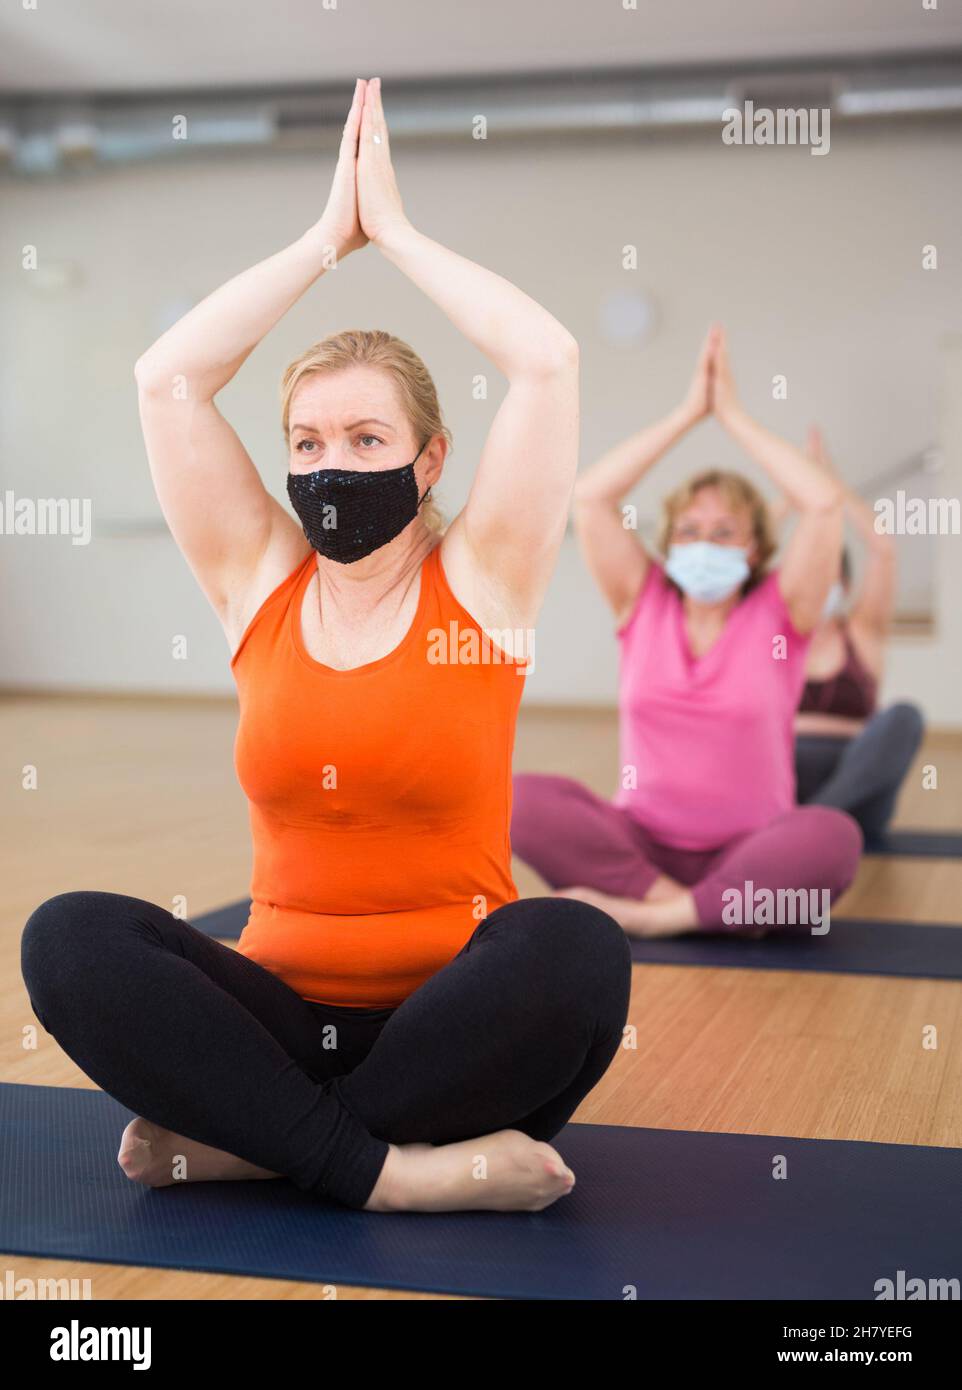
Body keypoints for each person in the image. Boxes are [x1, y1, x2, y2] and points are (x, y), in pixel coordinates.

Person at [20, 78, 631, 1215]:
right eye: (306, 440)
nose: (328, 465)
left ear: (429, 457)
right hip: (279, 1022)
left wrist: (392, 234)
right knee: (70, 938)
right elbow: (168, 379)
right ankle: (387, 1174)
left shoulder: (484, 583)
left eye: (364, 436)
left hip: (453, 1029)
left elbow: (545, 361)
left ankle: (262, 1148)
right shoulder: (259, 581)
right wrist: (319, 242)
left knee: (576, 950)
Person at [512, 326, 863, 938]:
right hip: (642, 849)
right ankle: (701, 908)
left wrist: (732, 416)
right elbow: (592, 497)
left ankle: (659, 919)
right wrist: (686, 414)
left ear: (755, 549)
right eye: (690, 530)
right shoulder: (641, 600)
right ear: (669, 542)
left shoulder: (786, 613)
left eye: (725, 531)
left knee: (834, 838)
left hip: (753, 848)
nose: (705, 543)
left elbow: (824, 505)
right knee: (512, 796)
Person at [778, 427, 924, 848]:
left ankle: (808, 827)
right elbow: (748, 549)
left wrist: (831, 485)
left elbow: (883, 549)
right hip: (779, 790)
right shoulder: (771, 634)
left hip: (856, 801)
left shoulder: (862, 630)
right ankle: (802, 829)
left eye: (829, 577)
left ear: (844, 582)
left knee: (904, 716)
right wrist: (794, 494)